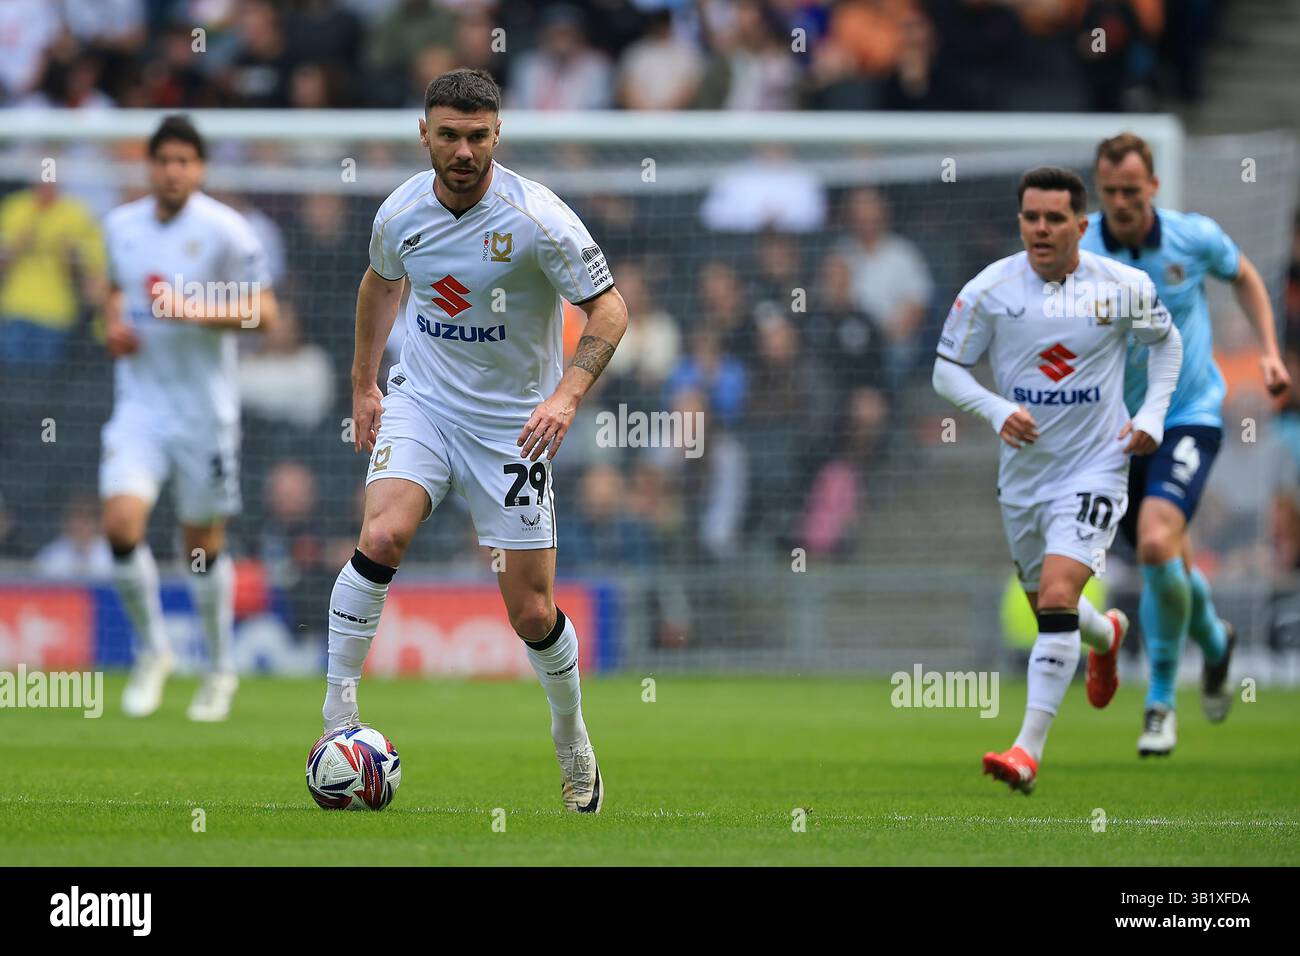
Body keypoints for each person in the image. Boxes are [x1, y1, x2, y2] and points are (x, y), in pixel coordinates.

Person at [324, 69, 628, 813]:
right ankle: (339, 718)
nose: (464, 151)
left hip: (513, 426)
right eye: (450, 134)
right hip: (423, 402)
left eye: (478, 136)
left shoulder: (540, 219)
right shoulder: (399, 214)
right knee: (384, 532)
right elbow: (378, 284)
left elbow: (611, 312)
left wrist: (565, 395)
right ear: (424, 134)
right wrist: (366, 384)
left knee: (529, 612)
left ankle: (572, 738)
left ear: (499, 135)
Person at [933, 166, 1182, 794]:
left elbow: (1168, 344)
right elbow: (947, 370)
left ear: (1082, 224)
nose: (1040, 229)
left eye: (1053, 218)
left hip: (1097, 464)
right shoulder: (990, 290)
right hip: (1024, 475)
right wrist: (995, 408)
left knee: (1056, 596)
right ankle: (1106, 637)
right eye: (1030, 218)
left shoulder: (1123, 286)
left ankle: (1026, 751)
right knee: (1049, 600)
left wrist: (1151, 414)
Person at [1083, 132, 1292, 756]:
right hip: (1116, 431)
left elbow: (1246, 276)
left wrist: (1271, 354)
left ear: (1153, 186)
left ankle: (1160, 703)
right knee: (1167, 563)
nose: (1121, 201)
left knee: (1154, 543)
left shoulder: (1192, 237)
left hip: (1188, 416)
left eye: (1131, 189)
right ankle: (1216, 640)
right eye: (1110, 190)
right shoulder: (1081, 246)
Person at [100, 115, 278, 721]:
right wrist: (114, 328)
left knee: (199, 547)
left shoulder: (227, 231)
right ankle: (155, 651)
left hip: (205, 413)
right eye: (163, 160)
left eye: (185, 161)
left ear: (199, 169)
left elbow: (266, 314)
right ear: (149, 166)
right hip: (140, 408)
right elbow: (114, 294)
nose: (173, 171)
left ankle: (220, 668)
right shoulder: (120, 227)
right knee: (121, 526)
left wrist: (193, 308)